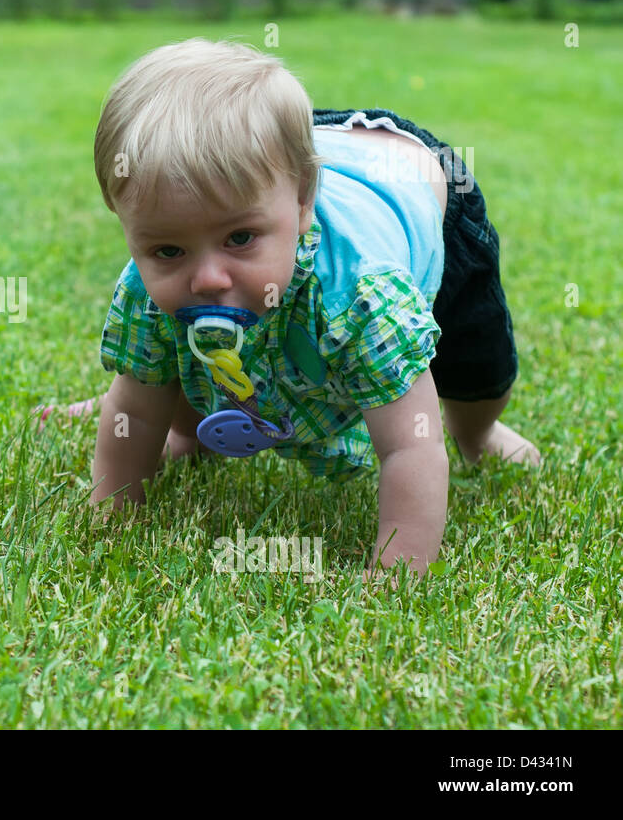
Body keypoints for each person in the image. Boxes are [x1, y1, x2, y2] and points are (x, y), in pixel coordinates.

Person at [40, 38, 538, 578]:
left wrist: (398, 571)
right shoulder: (151, 286)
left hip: (415, 183)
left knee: (475, 368)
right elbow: (134, 411)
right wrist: (110, 518)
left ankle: (479, 432)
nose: (207, 279)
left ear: (303, 203)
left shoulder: (362, 296)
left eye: (239, 239)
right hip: (298, 155)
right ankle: (188, 435)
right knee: (181, 347)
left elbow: (409, 448)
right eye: (167, 250)